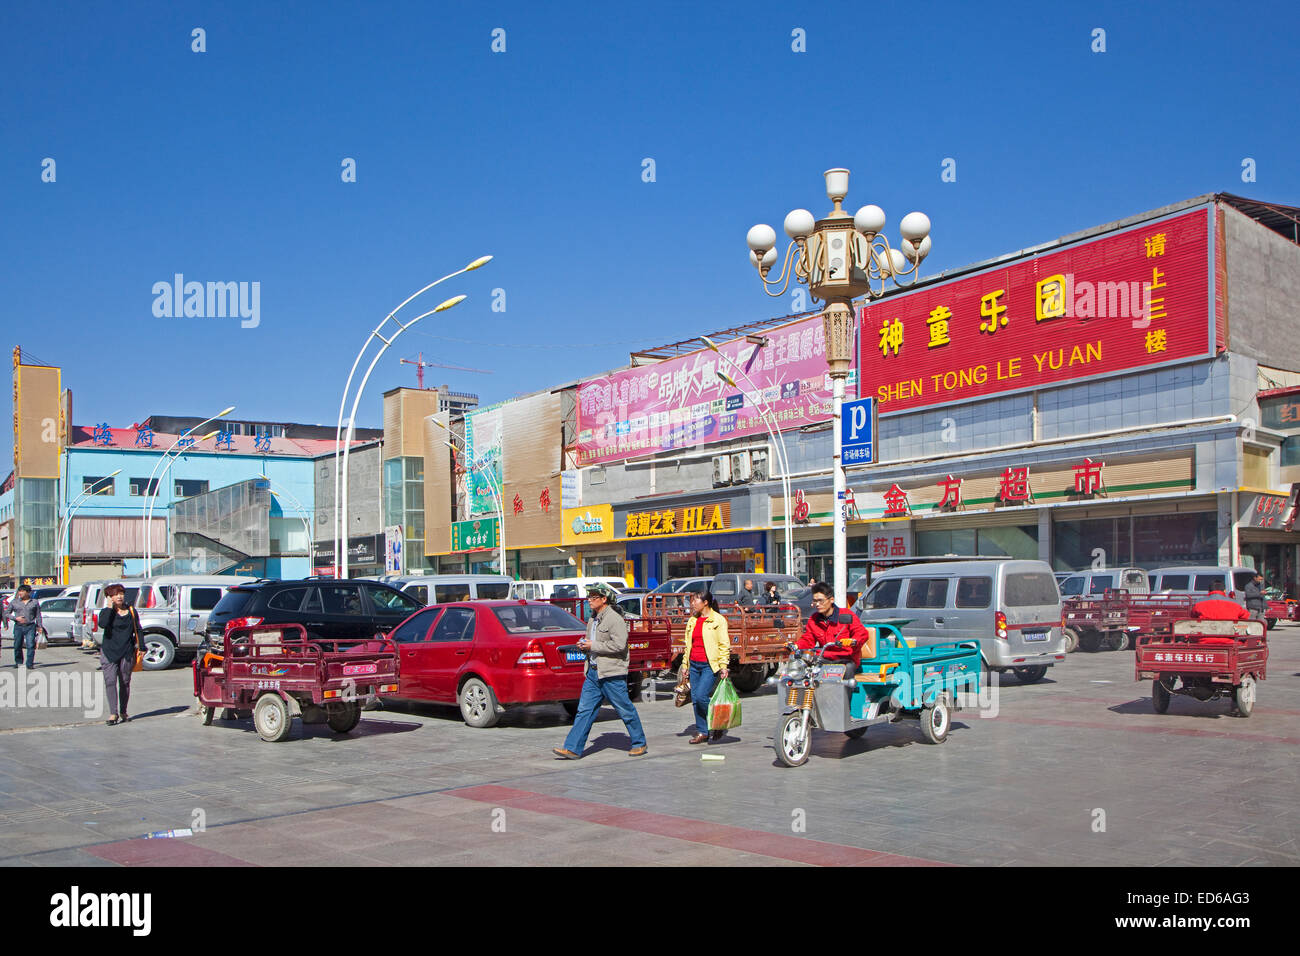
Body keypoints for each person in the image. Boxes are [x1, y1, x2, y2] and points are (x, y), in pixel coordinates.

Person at [553, 582, 647, 758]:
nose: (589, 600)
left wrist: (593, 645)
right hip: (593, 672)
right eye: (589, 597)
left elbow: (619, 645)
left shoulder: (614, 619)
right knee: (584, 710)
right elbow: (592, 641)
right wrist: (584, 645)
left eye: (593, 597)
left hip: (611, 673)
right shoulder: (593, 619)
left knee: (624, 708)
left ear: (604, 599)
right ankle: (573, 748)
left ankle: (639, 742)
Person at [681, 588, 731, 743]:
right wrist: (685, 664)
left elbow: (724, 644)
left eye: (696, 600)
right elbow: (688, 644)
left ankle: (718, 722)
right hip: (694, 664)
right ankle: (702, 731)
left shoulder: (718, 620)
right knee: (695, 699)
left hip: (710, 665)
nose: (693, 603)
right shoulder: (692, 620)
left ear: (705, 602)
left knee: (702, 696)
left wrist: (723, 665)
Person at [798, 582, 874, 673]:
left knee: (847, 671)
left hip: (846, 658)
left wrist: (853, 641)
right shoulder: (814, 619)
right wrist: (795, 645)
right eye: (815, 601)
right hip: (824, 658)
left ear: (831, 600)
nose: (817, 604)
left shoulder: (846, 615)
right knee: (802, 669)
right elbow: (808, 639)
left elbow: (861, 633)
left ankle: (847, 687)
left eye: (820, 600)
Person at [98, 584, 144, 725]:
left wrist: (141, 646)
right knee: (110, 682)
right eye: (115, 594)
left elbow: (138, 629)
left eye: (121, 593)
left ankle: (123, 711)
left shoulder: (131, 610)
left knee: (124, 682)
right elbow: (103, 624)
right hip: (109, 651)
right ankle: (113, 713)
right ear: (109, 597)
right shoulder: (107, 612)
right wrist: (109, 607)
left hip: (126, 651)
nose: (119, 596)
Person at [5, 585, 43, 668]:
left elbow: (38, 615)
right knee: (17, 645)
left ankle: (29, 664)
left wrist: (40, 626)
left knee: (30, 645)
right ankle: (18, 662)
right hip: (18, 626)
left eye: (22, 591)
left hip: (30, 626)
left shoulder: (34, 602)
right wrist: (15, 618)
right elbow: (6, 613)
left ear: (28, 592)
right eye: (19, 591)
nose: (20, 593)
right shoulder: (14, 602)